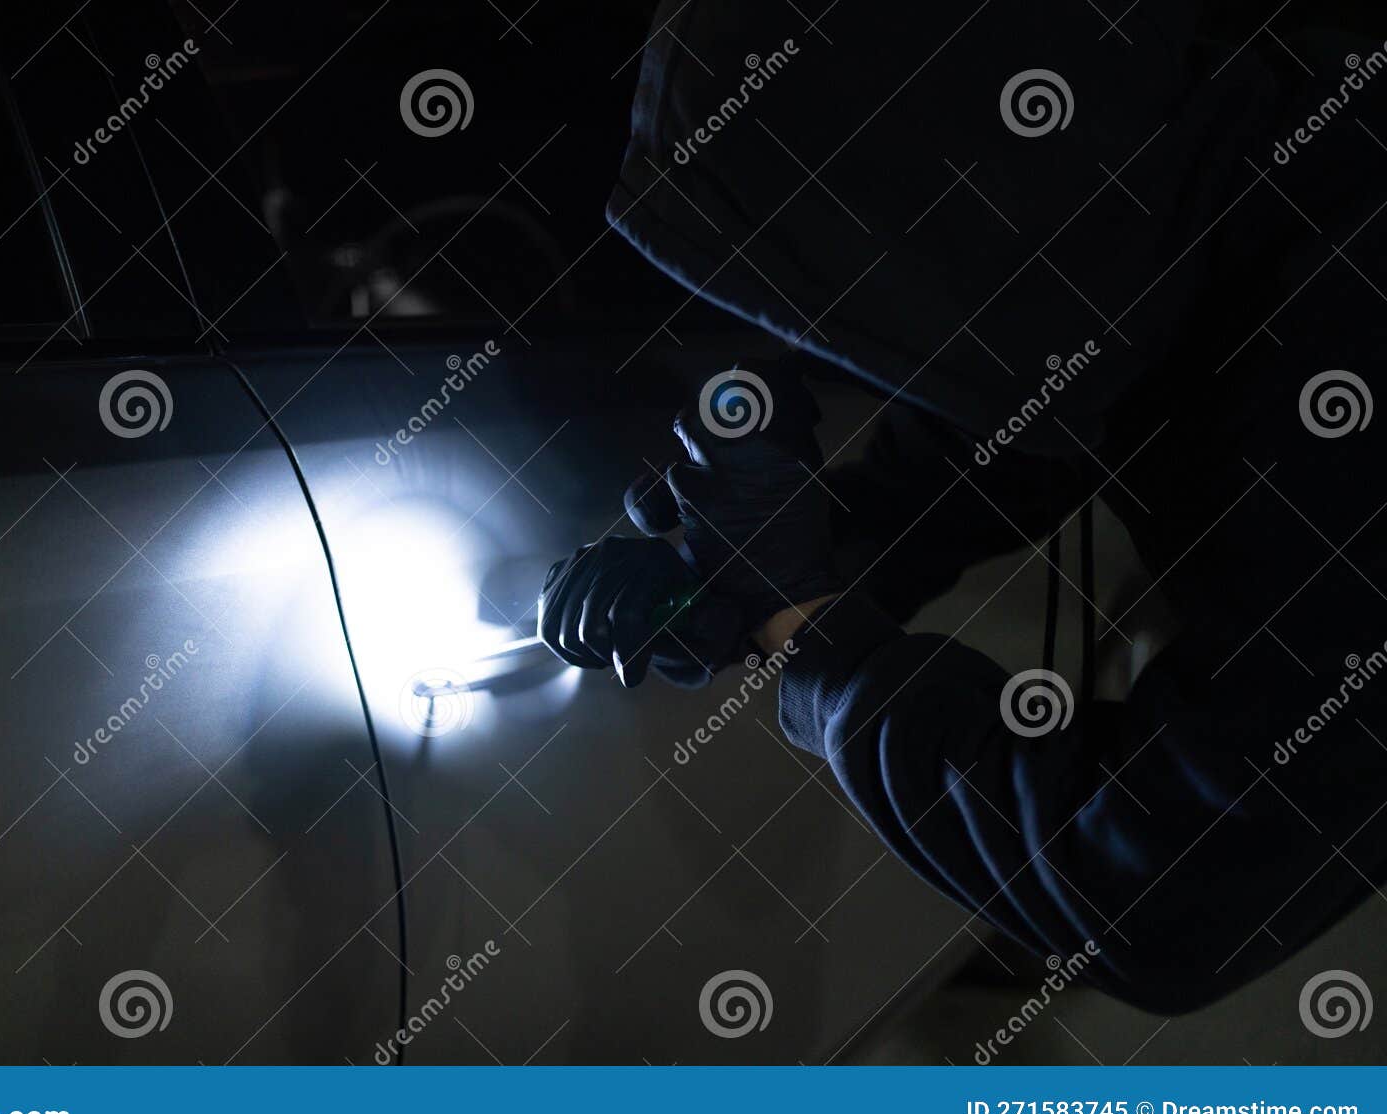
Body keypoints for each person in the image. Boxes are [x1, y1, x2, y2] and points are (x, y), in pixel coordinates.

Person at [538, 2, 1387, 1013]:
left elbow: (1173, 890)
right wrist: (781, 557)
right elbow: (1050, 394)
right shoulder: (1217, 173)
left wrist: (810, 630)